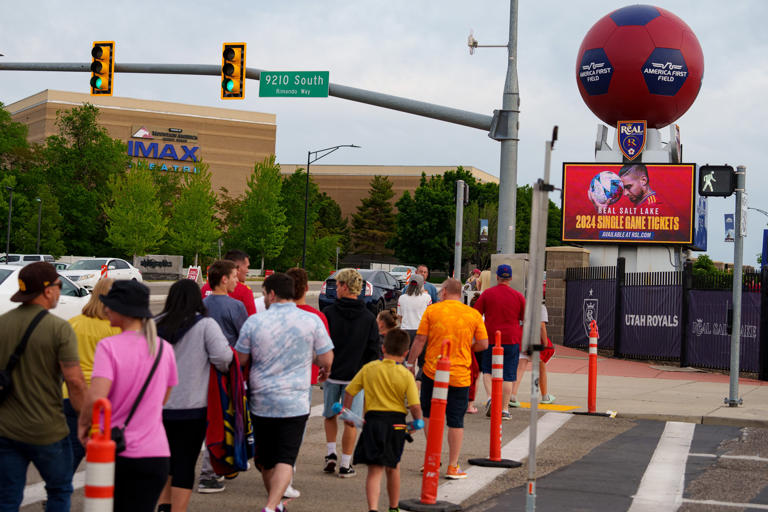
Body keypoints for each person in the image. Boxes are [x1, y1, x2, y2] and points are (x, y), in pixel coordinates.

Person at [236, 273, 334, 512]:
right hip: (295, 400)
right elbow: (326, 357)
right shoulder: (311, 321)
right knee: (285, 457)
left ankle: (273, 504)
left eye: (263, 294)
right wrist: (323, 368)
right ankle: (273, 505)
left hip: (262, 400)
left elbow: (240, 358)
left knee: (265, 460)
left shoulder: (255, 322)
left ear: (271, 294)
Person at [78, 280, 178, 512]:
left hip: (118, 452)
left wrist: (84, 425)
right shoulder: (164, 349)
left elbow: (96, 398)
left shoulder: (108, 347)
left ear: (123, 311)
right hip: (156, 454)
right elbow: (162, 399)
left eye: (110, 306)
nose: (106, 310)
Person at [0, 262, 87, 512]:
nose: (60, 291)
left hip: (6, 430)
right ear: (47, 290)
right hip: (47, 429)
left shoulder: (2, 323)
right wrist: (83, 420)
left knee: (7, 497)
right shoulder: (59, 328)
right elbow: (75, 381)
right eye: (59, 286)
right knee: (59, 490)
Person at [156, 280, 233, 512]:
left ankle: (162, 505)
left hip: (157, 407)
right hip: (193, 406)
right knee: (185, 461)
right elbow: (223, 358)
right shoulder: (206, 325)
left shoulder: (153, 324)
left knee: (163, 461)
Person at [406, 278, 488, 479]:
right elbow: (484, 343)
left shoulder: (433, 311)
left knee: (429, 414)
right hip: (460, 374)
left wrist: (410, 362)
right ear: (460, 293)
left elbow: (420, 339)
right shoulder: (473, 314)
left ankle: (433, 458)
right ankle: (453, 466)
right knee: (455, 420)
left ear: (443, 292)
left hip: (433, 372)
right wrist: (468, 348)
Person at [343, 329, 422, 512]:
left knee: (374, 470)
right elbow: (414, 405)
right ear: (405, 353)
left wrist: (347, 413)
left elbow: (350, 391)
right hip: (396, 423)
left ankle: (373, 508)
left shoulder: (369, 368)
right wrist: (417, 421)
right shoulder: (406, 375)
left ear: (383, 347)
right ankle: (393, 507)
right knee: (393, 467)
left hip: (372, 422)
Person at [322, 268, 380, 478]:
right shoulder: (368, 317)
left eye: (337, 285)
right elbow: (374, 350)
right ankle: (346, 464)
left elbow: (322, 345)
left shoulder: (328, 314)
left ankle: (330, 454)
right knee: (350, 420)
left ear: (345, 286)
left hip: (331, 373)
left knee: (329, 415)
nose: (335, 288)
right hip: (356, 377)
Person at [65, 277, 121, 472]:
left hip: (69, 394)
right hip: (102, 398)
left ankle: (57, 489)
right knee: (108, 451)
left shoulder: (73, 323)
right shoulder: (114, 329)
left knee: (71, 449)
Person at [285, 266, 331, 500]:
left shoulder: (270, 313)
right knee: (294, 434)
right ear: (305, 288)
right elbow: (325, 353)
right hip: (301, 382)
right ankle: (286, 475)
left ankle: (275, 470)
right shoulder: (315, 317)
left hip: (269, 383)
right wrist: (324, 369)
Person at [473, 264, 526, 421]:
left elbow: (476, 314)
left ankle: (491, 399)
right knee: (509, 375)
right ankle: (504, 409)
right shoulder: (518, 296)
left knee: (488, 370)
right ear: (510, 278)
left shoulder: (488, 294)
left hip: (490, 338)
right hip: (511, 339)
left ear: (497, 277)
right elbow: (525, 318)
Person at [511, 301, 555, 406]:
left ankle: (512, 395)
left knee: (520, 367)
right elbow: (541, 325)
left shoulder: (523, 305)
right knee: (541, 366)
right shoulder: (540, 307)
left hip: (523, 336)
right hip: (535, 338)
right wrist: (545, 343)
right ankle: (545, 396)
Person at [202, 259, 248, 347]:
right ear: (224, 279)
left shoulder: (201, 304)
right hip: (230, 356)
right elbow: (245, 339)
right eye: (234, 277)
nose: (237, 280)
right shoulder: (236, 306)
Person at [201, 249, 256, 316]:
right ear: (237, 268)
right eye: (247, 267)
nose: (247, 271)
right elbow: (251, 321)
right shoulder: (245, 291)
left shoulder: (205, 288)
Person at [397, 273, 431, 377]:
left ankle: (409, 381)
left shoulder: (402, 298)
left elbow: (399, 316)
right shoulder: (427, 298)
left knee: (407, 362)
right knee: (423, 362)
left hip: (405, 332)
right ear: (421, 285)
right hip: (421, 332)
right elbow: (429, 315)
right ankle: (418, 383)